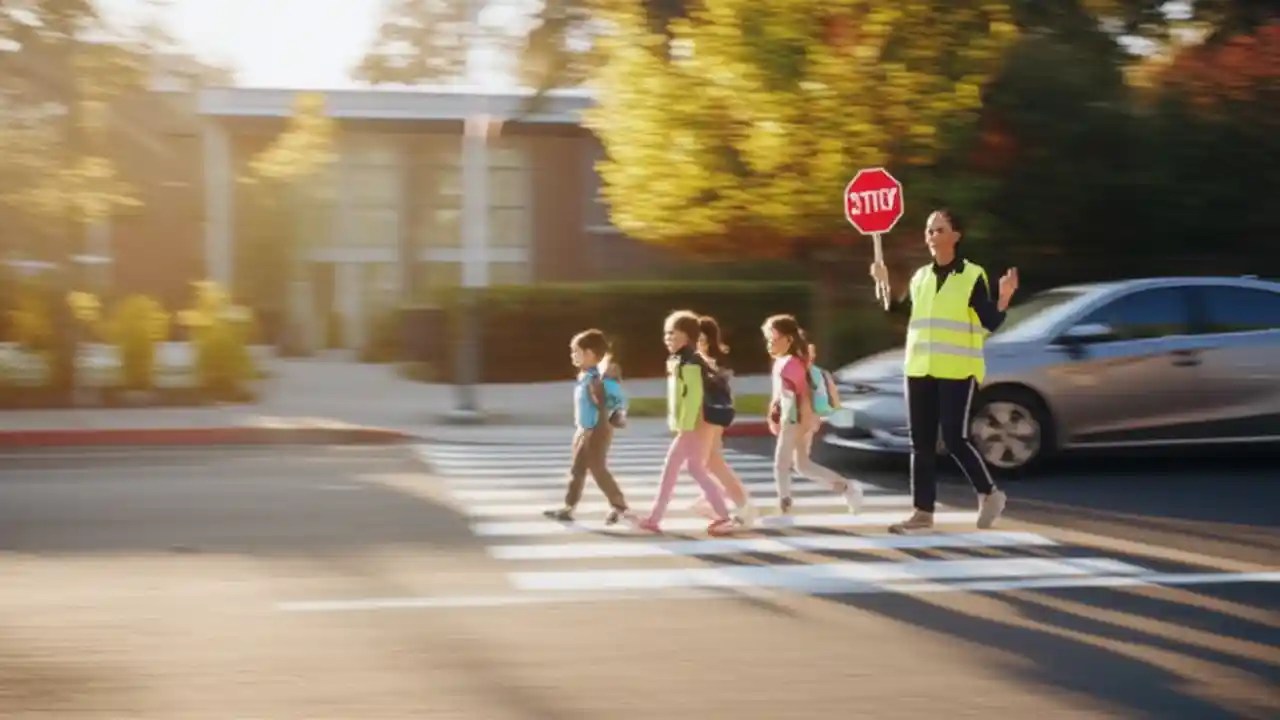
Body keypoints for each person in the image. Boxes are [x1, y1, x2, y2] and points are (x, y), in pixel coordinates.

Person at [868, 208, 1017, 534]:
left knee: (953, 438)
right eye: (929, 230)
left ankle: (990, 494)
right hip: (919, 368)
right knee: (919, 442)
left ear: (956, 236)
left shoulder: (971, 275)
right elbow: (898, 310)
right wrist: (883, 284)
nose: (932, 235)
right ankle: (922, 513)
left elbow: (990, 321)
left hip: (957, 369)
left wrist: (1004, 296)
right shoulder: (920, 277)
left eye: (939, 229)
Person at [637, 310, 737, 536]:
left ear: (686, 337)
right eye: (666, 334)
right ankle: (655, 518)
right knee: (674, 468)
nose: (667, 338)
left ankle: (724, 516)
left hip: (696, 423)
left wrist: (684, 426)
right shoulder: (680, 360)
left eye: (673, 333)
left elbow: (692, 398)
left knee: (693, 468)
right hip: (692, 423)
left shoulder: (689, 362)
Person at [763, 314, 863, 515]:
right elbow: (782, 397)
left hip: (795, 419)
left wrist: (793, 420)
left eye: (773, 340)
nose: (769, 345)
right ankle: (847, 488)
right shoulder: (794, 362)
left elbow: (798, 395)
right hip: (801, 419)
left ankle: (784, 503)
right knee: (802, 465)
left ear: (788, 340)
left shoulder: (789, 364)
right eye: (768, 340)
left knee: (781, 463)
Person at [543, 329, 635, 526]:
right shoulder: (585, 376)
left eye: (576, 351)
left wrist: (615, 415)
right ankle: (569, 507)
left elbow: (619, 399)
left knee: (597, 468)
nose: (572, 355)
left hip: (598, 430)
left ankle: (619, 506)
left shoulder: (601, 378)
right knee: (577, 469)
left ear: (590, 354)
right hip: (584, 429)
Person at [689, 315, 759, 528]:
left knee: (711, 462)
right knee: (712, 461)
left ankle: (743, 506)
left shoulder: (705, 360)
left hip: (709, 416)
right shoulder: (711, 359)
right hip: (717, 415)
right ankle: (732, 502)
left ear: (703, 337)